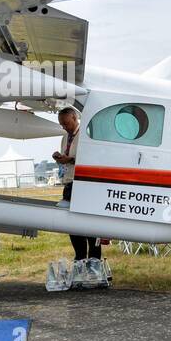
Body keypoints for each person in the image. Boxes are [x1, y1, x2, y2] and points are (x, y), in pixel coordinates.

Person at [53, 106, 101, 261]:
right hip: (69, 182)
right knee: (72, 224)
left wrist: (71, 159)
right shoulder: (65, 137)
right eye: (62, 124)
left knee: (89, 224)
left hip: (84, 184)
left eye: (66, 123)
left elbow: (92, 159)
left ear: (75, 118)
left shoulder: (86, 135)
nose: (64, 127)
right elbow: (68, 158)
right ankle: (79, 257)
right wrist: (61, 158)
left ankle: (94, 259)